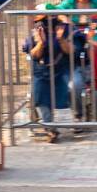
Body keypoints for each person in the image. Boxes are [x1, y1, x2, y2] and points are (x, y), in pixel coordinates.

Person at [55, 0, 97, 132]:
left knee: (93, 45)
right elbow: (54, 9)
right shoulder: (70, 3)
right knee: (69, 45)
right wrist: (65, 19)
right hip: (75, 36)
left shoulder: (96, 1)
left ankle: (91, 78)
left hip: (93, 34)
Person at [23, 8, 74, 142]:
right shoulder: (36, 32)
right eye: (44, 18)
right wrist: (41, 42)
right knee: (40, 94)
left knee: (70, 89)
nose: (47, 21)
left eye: (51, 17)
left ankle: (76, 119)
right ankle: (50, 128)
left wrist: (61, 39)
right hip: (41, 71)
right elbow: (33, 55)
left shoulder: (65, 29)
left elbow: (71, 51)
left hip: (62, 69)